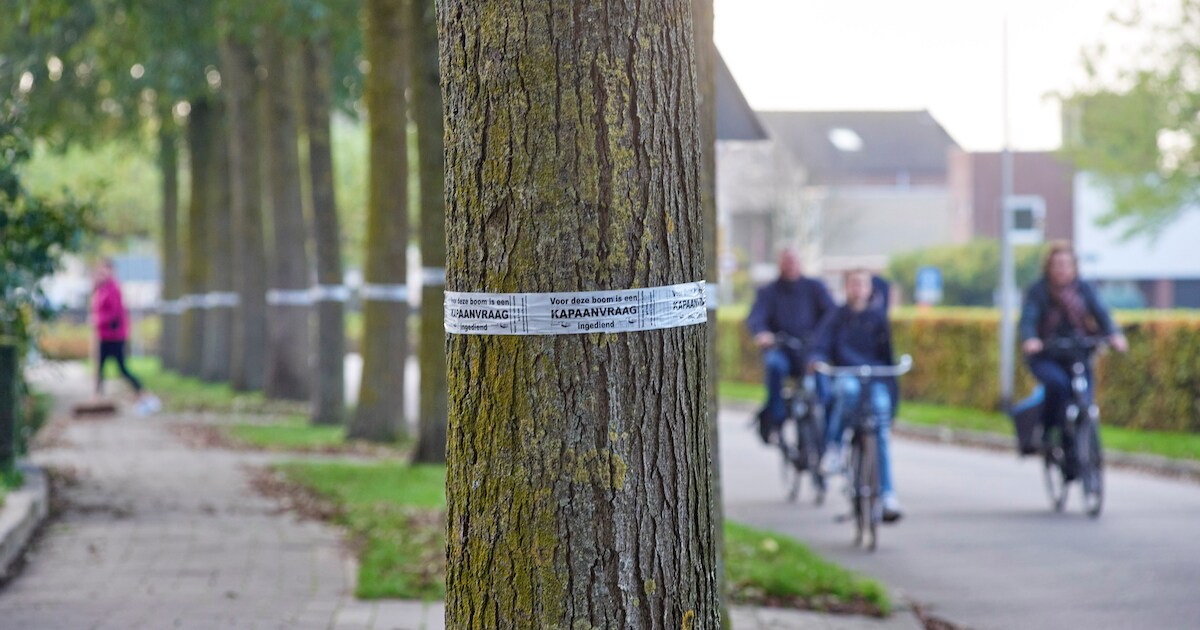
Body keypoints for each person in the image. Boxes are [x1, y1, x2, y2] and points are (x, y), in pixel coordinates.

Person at [1018, 242, 1126, 479]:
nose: (1062, 269)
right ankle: (1049, 431)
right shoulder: (1039, 291)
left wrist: (1115, 335)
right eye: (1057, 264)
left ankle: (1083, 444)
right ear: (1049, 267)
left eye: (1066, 264)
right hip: (1047, 356)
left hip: (1078, 353)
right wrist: (1031, 339)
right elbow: (1028, 319)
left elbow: (1102, 313)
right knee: (1058, 385)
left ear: (1074, 267)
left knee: (1085, 397)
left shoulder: (1084, 289)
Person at [812, 268, 903, 522]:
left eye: (862, 284)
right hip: (847, 374)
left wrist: (892, 394)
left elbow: (888, 358)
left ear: (869, 288)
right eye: (853, 284)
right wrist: (816, 360)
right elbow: (820, 345)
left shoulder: (878, 318)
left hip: (874, 379)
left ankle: (887, 495)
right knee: (846, 392)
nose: (858, 289)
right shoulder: (836, 316)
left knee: (881, 426)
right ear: (846, 287)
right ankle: (834, 448)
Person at [745, 249, 835, 439]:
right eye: (787, 262)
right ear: (780, 264)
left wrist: (821, 336)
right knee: (775, 366)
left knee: (823, 380)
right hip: (782, 348)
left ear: (800, 263)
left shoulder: (815, 288)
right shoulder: (768, 292)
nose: (790, 266)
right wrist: (763, 334)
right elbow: (757, 317)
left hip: (810, 350)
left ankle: (827, 429)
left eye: (794, 261)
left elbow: (831, 314)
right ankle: (776, 418)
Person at [92, 259, 160, 414]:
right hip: (104, 335)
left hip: (114, 336)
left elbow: (115, 313)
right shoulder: (101, 289)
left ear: (111, 271)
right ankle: (97, 398)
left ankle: (144, 394)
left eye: (104, 270)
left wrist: (98, 320)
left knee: (122, 369)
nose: (101, 274)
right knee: (100, 368)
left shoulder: (113, 289)